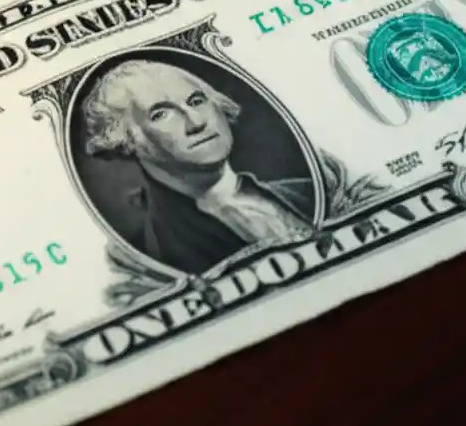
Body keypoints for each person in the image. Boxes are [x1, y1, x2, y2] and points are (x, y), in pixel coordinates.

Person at [82, 59, 315, 273]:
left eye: (196, 101)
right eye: (161, 114)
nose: (196, 122)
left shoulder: (309, 191)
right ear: (126, 140)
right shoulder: (154, 256)